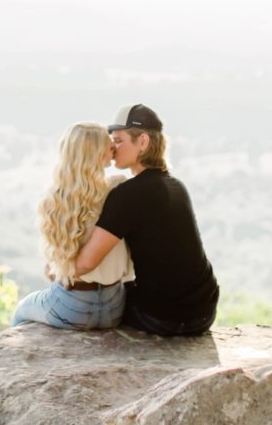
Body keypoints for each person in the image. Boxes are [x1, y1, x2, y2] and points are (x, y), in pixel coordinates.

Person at [74, 104, 220, 336]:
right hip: (204, 311)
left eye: (119, 140)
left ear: (142, 142)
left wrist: (58, 271)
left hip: (165, 318)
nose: (112, 147)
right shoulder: (176, 186)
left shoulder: (127, 194)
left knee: (102, 301)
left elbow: (86, 262)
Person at [12, 122, 132, 330]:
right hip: (115, 306)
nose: (113, 147)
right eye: (108, 144)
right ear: (95, 152)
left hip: (72, 307)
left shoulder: (57, 199)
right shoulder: (119, 188)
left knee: (22, 310)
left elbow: (53, 268)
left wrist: (59, 268)